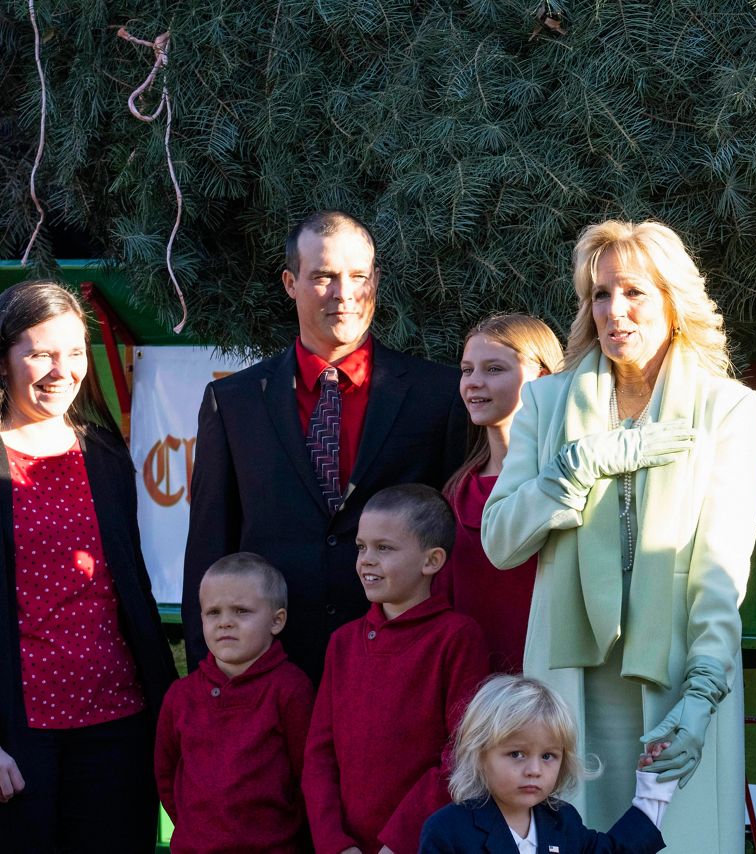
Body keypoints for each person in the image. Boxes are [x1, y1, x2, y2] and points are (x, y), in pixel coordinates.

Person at [482, 220, 756, 853]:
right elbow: (500, 542)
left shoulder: (730, 408)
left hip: (681, 680)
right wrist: (579, 464)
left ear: (673, 300)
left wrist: (701, 699)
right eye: (600, 294)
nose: (614, 311)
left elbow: (720, 571)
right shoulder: (546, 403)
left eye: (634, 292)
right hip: (571, 689)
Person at [183, 210, 469, 683]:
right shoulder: (233, 404)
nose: (344, 294)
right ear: (290, 282)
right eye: (323, 277)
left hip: (402, 667)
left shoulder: (437, 396)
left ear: (376, 280)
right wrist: (206, 676)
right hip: (269, 672)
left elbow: (454, 544)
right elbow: (211, 549)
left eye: (358, 276)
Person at [0, 280, 177, 850]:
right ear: (3, 361)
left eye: (74, 352)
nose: (62, 370)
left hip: (120, 723)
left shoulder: (101, 451)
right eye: (41, 353)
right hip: (20, 735)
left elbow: (131, 587)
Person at [303, 483, 487, 854]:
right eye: (361, 547)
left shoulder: (456, 638)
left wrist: (400, 841)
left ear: (431, 561)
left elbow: (463, 753)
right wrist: (334, 842)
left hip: (424, 843)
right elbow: (319, 753)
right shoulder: (343, 642)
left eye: (383, 548)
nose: (366, 560)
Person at [155, 552, 314, 853]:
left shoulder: (291, 689)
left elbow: (308, 776)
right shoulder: (181, 695)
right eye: (213, 613)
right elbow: (167, 775)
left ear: (277, 620)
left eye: (241, 611)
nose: (225, 622)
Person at [418, 674, 676, 853]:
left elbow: (618, 850)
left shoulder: (563, 821)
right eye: (517, 754)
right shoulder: (446, 830)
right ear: (480, 754)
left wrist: (654, 787)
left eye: (548, 756)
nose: (534, 770)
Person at [436, 314, 563, 673]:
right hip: (473, 685)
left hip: (554, 684)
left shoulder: (565, 483)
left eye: (493, 369)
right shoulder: (457, 492)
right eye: (466, 370)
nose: (474, 382)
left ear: (543, 376)